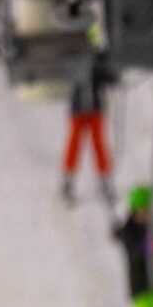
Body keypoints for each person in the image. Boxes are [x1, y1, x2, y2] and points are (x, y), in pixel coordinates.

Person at [60, 46, 117, 205]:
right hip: (80, 108)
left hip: (93, 109)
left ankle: (104, 179)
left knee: (98, 144)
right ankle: (68, 180)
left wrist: (108, 76)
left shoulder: (97, 59)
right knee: (74, 144)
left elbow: (107, 76)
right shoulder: (74, 58)